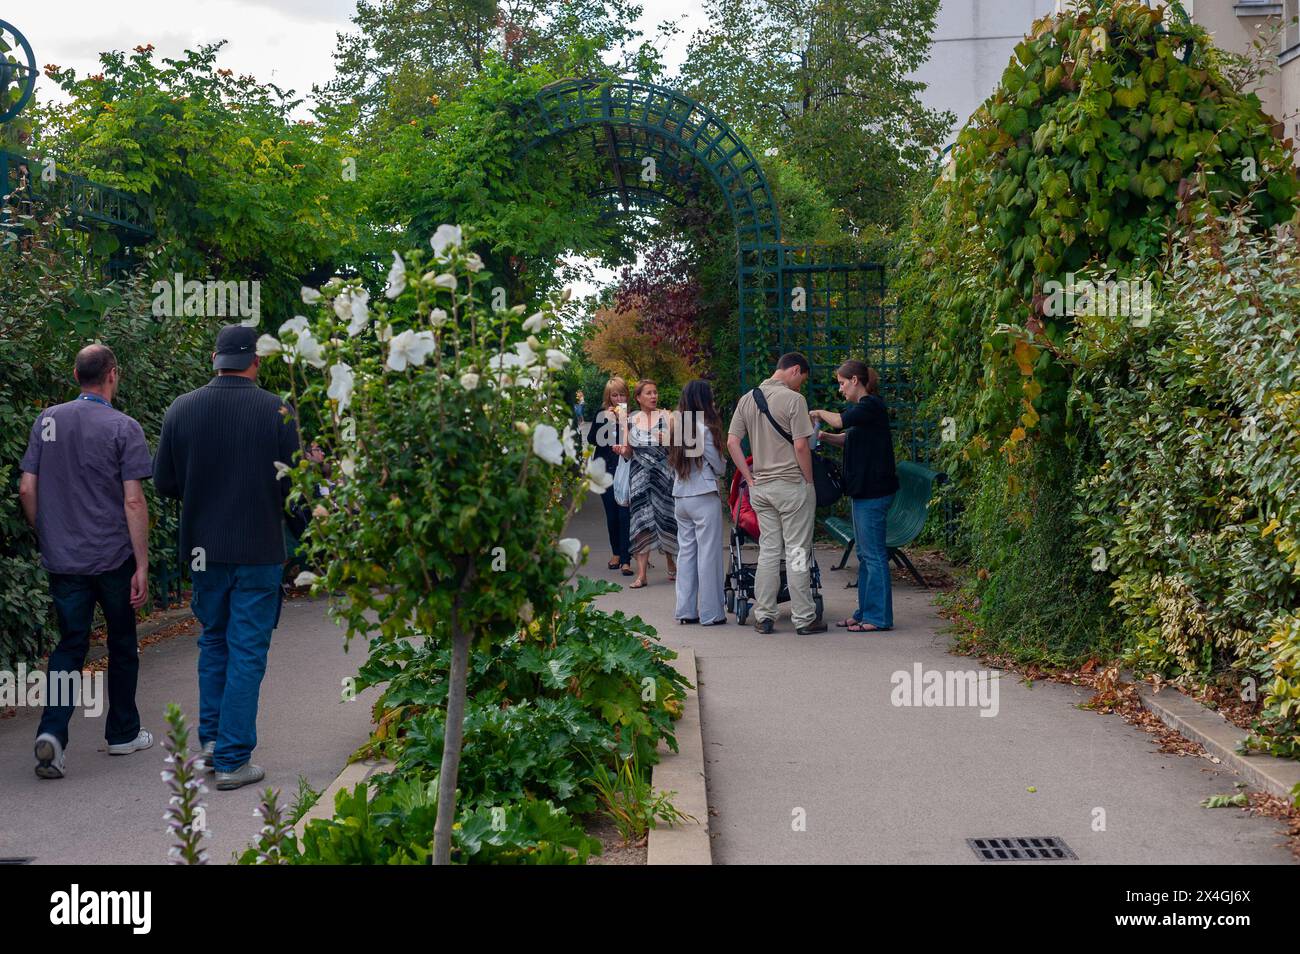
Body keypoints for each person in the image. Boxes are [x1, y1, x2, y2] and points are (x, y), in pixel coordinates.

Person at [153, 324, 302, 791]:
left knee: (213, 641)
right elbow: (293, 488)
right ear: (255, 362)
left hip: (202, 550)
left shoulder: (182, 408)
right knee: (247, 651)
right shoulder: (277, 410)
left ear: (215, 360)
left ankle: (214, 743)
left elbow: (164, 484)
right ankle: (234, 759)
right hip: (258, 548)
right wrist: (307, 538)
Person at [20, 344, 155, 779]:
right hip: (112, 555)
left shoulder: (47, 421)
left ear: (76, 374)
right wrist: (142, 563)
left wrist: (47, 532)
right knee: (121, 642)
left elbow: (27, 488)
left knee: (69, 645)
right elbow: (133, 501)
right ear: (112, 375)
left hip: (64, 560)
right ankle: (122, 734)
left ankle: (53, 736)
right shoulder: (124, 427)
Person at [727, 352, 826, 635]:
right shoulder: (795, 401)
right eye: (801, 381)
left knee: (769, 552)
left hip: (761, 488)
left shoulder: (747, 399)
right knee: (796, 551)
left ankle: (764, 615)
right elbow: (801, 447)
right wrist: (808, 481)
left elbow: (732, 442)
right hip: (791, 486)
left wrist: (749, 477)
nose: (800, 387)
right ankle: (803, 617)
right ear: (795, 370)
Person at [812, 361, 899, 632]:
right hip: (864, 491)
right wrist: (824, 436)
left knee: (873, 555)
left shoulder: (870, 405)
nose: (840, 389)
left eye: (841, 383)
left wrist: (817, 412)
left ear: (855, 380)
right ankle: (864, 612)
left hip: (873, 492)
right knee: (864, 554)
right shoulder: (864, 411)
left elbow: (839, 421)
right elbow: (848, 437)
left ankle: (878, 618)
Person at [668, 380, 727, 625]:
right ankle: (712, 613)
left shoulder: (679, 426)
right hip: (703, 494)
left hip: (681, 495)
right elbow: (719, 466)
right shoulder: (704, 428)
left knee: (686, 554)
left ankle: (686, 610)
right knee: (709, 556)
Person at [616, 379, 678, 588]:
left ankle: (671, 559)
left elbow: (678, 448)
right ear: (638, 398)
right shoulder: (630, 420)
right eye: (649, 393)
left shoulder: (667, 417)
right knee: (641, 522)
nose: (653, 396)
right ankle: (642, 575)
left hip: (663, 476)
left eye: (655, 392)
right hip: (639, 477)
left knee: (666, 518)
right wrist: (621, 450)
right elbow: (628, 451)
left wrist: (667, 440)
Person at [590, 378, 632, 575]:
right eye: (614, 395)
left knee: (625, 514)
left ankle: (626, 559)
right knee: (612, 514)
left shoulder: (633, 416)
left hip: (625, 468)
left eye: (621, 394)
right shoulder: (601, 414)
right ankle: (616, 552)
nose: (618, 398)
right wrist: (605, 422)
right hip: (604, 469)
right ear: (608, 397)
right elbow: (592, 440)